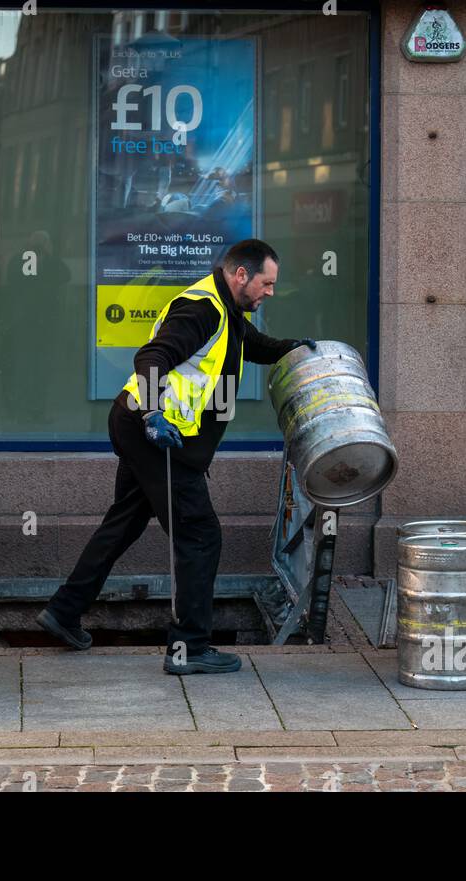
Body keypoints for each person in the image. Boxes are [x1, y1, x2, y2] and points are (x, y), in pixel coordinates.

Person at [37, 239, 316, 674]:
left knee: (125, 520)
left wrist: (294, 349)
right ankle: (189, 648)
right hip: (154, 432)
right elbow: (152, 356)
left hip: (144, 428)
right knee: (200, 535)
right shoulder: (203, 309)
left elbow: (253, 344)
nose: (270, 292)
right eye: (267, 283)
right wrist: (152, 414)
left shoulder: (228, 312)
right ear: (240, 274)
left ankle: (64, 610)